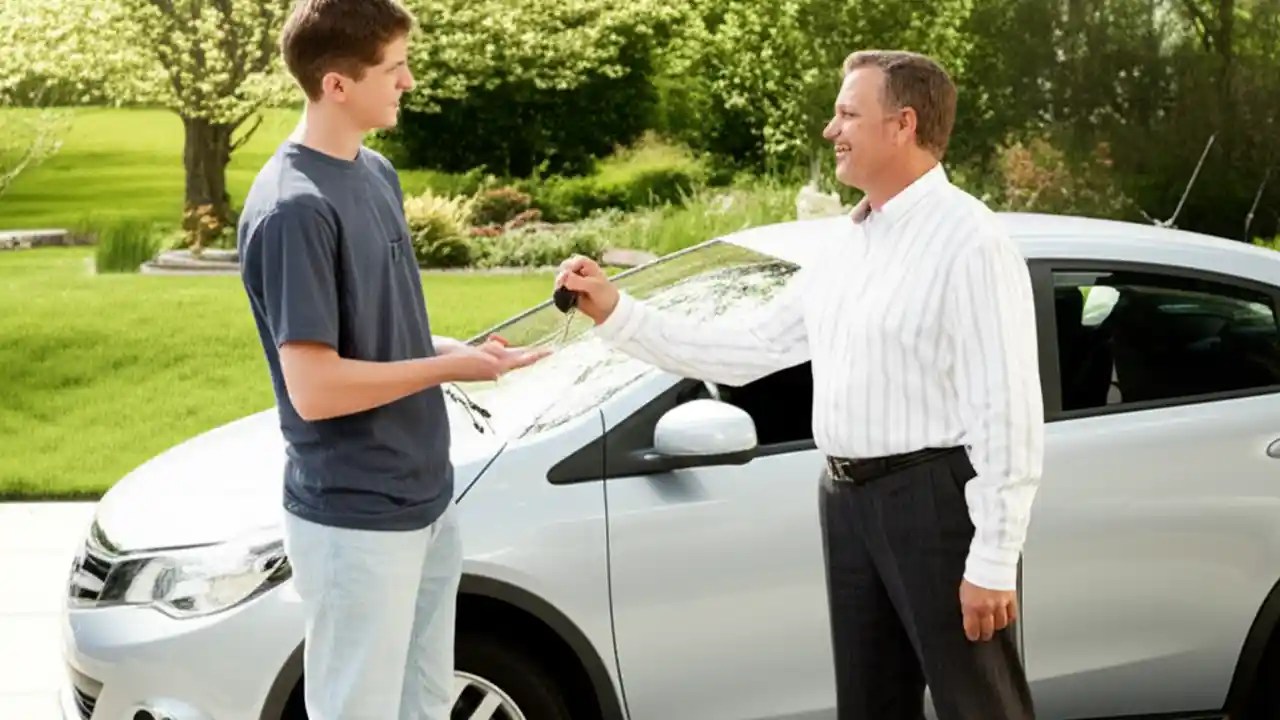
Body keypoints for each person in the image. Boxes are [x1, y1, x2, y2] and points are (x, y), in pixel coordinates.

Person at [556, 49, 1043, 720]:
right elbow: (754, 346)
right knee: (869, 706)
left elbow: (1008, 409)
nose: (830, 129)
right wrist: (617, 313)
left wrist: (994, 555)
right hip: (846, 500)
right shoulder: (847, 243)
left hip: (935, 505)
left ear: (902, 125)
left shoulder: (971, 243)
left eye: (847, 113)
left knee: (980, 707)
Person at [236, 1, 547, 717]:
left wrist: (459, 351)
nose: (408, 82)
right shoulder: (294, 209)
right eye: (394, 69)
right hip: (354, 518)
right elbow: (314, 388)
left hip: (425, 500)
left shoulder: (373, 173)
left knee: (425, 702)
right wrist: (444, 370)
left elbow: (373, 338)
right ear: (338, 85)